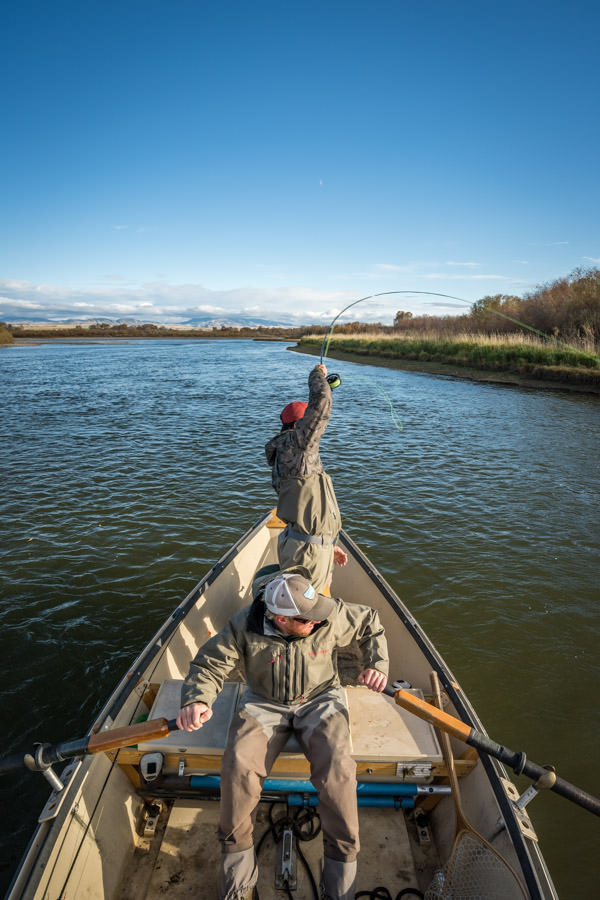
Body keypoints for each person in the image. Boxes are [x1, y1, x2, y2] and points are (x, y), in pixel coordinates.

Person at [177, 568, 389, 900]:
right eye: (307, 621)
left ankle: (340, 886)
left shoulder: (328, 615)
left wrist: (377, 664)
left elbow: (370, 623)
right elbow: (208, 665)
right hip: (264, 703)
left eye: (316, 614)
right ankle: (238, 884)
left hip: (321, 699)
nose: (317, 622)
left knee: (339, 772)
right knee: (238, 768)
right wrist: (197, 699)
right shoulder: (243, 625)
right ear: (280, 620)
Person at [265, 362, 348, 594]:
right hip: (307, 555)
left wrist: (330, 547)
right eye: (305, 423)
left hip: (308, 549)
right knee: (304, 617)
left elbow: (306, 512)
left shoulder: (293, 455)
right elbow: (322, 402)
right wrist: (317, 374)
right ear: (297, 426)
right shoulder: (298, 447)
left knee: (305, 611)